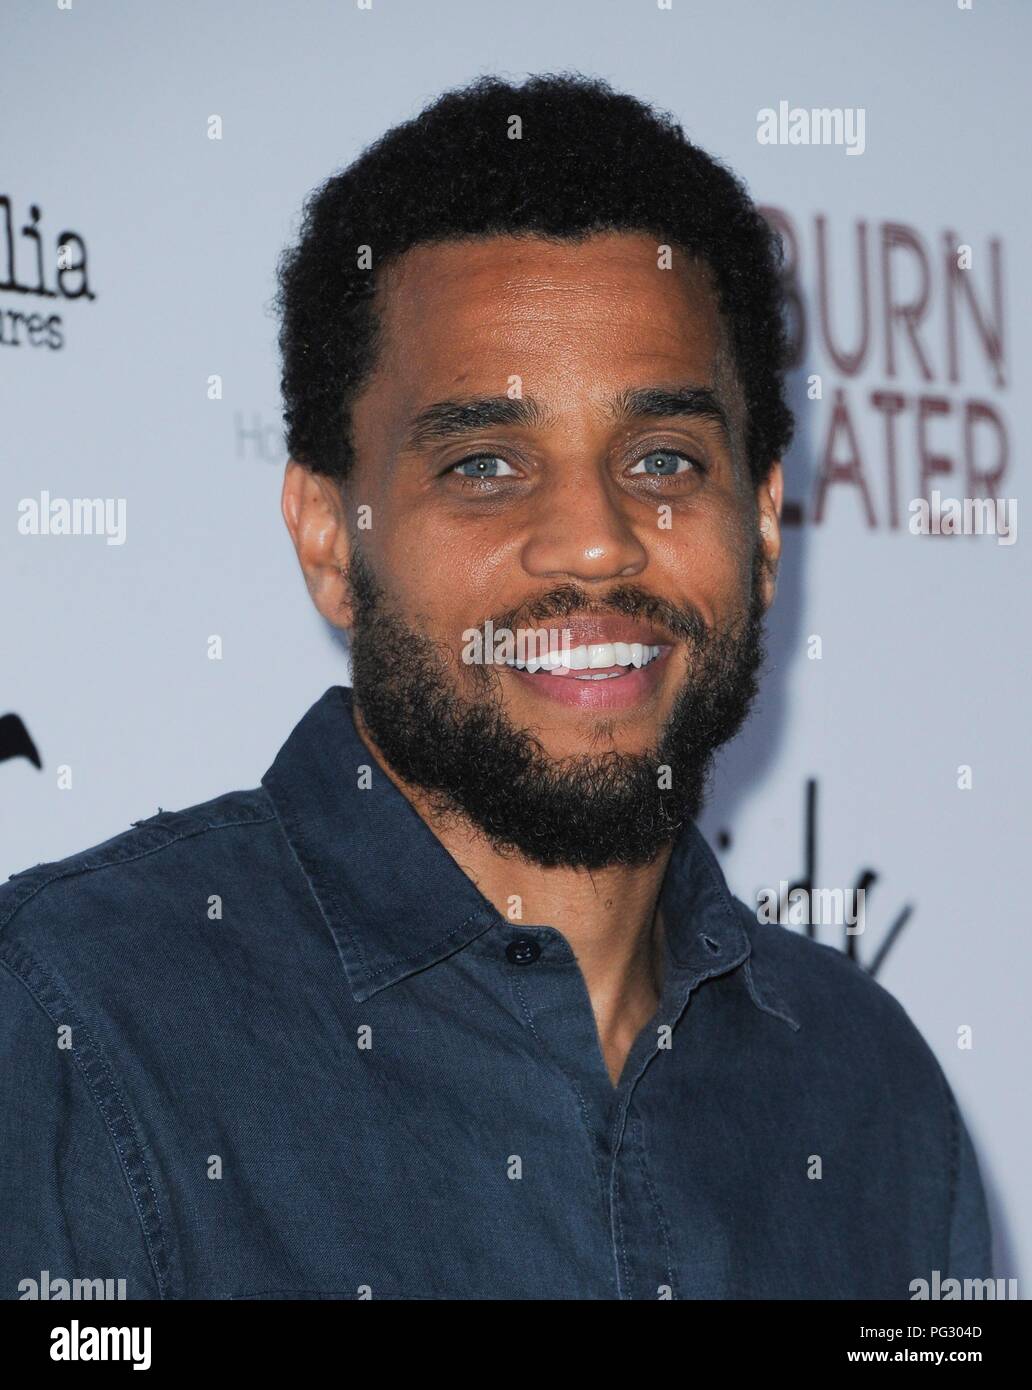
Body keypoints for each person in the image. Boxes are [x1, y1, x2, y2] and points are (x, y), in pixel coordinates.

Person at [0, 73, 990, 1300]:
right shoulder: (69, 1023)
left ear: (767, 524)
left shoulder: (874, 1089)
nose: (595, 541)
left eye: (665, 457)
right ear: (328, 538)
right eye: (485, 465)